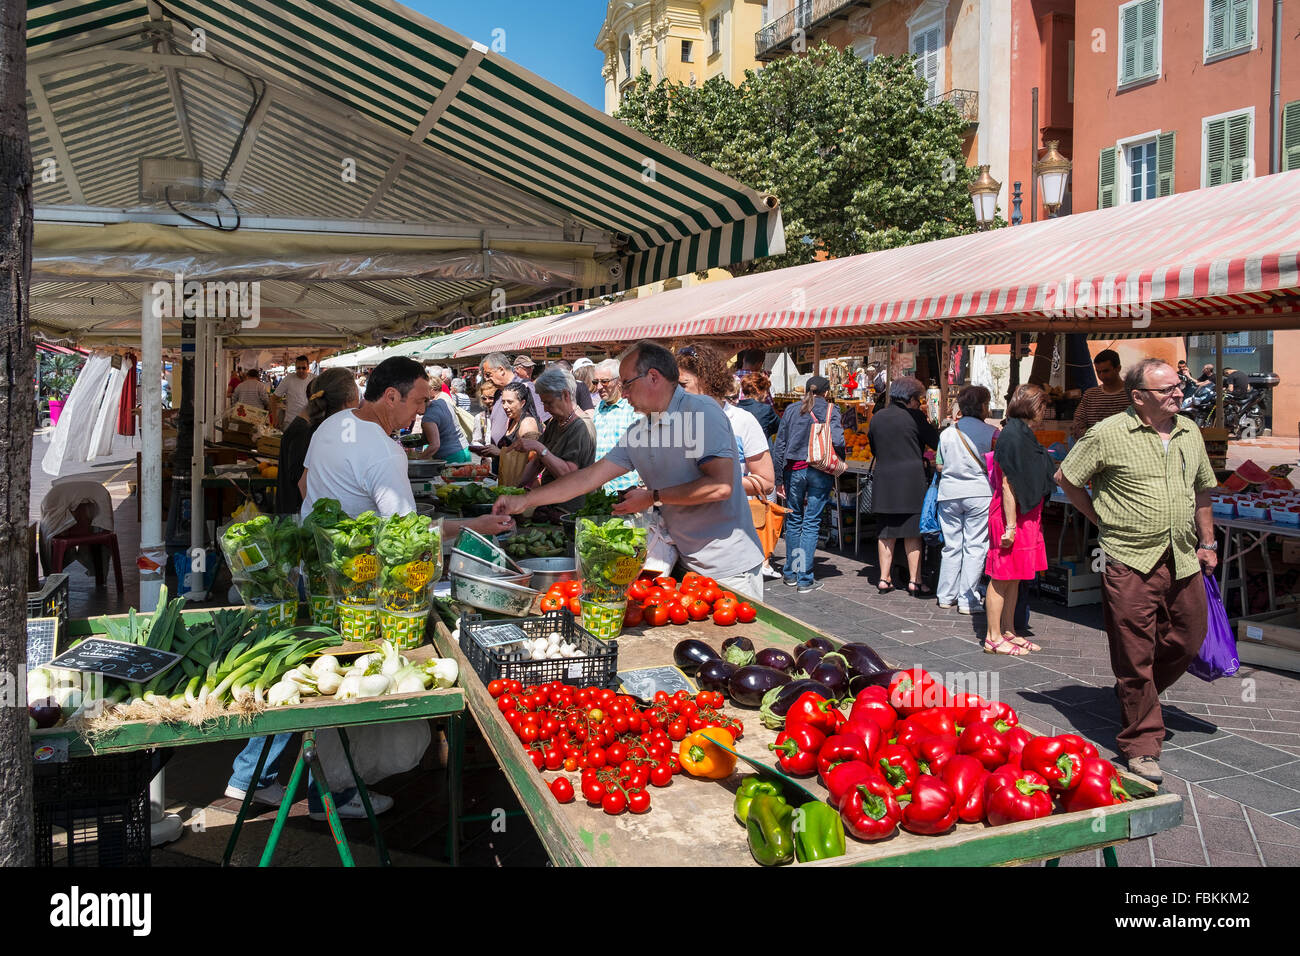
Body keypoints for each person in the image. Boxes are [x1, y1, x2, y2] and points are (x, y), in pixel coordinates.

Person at [493, 340, 766, 601]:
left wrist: (652, 497)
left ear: (654, 377)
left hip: (731, 570)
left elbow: (720, 486)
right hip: (686, 564)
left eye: (627, 385)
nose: (622, 393)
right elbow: (589, 477)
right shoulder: (641, 430)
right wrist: (524, 500)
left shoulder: (700, 412)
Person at [1056, 359, 1217, 784]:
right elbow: (1067, 477)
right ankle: (1142, 742)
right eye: (1166, 390)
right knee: (1134, 650)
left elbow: (1201, 488)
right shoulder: (1108, 433)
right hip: (1127, 557)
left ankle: (1136, 690)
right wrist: (1099, 519)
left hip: (1182, 555)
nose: (1178, 394)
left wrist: (1208, 542)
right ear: (1139, 396)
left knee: (1189, 635)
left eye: (1178, 386)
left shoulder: (1188, 431)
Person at [983, 384, 1056, 655]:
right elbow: (1007, 484)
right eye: (1042, 406)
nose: (1044, 411)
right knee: (1001, 575)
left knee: (1014, 577)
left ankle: (1008, 630)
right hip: (1009, 516)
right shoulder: (1013, 435)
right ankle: (992, 636)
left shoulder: (1022, 433)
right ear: (1033, 406)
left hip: (1023, 515)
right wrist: (1011, 526)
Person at [867, 377, 940, 595]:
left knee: (886, 532)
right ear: (910, 399)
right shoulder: (915, 417)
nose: (919, 404)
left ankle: (884, 578)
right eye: (918, 399)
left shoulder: (877, 417)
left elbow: (873, 447)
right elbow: (936, 442)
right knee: (913, 534)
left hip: (885, 480)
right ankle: (915, 581)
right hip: (911, 481)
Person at [772, 375, 844, 593]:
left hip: (794, 470)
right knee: (811, 522)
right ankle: (804, 579)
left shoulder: (793, 410)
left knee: (793, 521)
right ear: (826, 392)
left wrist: (778, 478)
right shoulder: (831, 410)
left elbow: (780, 444)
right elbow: (839, 440)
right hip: (819, 471)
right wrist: (838, 460)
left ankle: (791, 573)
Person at [934, 385, 998, 615]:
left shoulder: (946, 433)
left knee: (951, 545)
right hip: (979, 493)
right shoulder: (992, 434)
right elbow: (998, 466)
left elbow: (939, 465)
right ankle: (967, 600)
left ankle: (945, 595)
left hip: (949, 492)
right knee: (975, 546)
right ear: (982, 406)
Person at [276, 368, 358, 516]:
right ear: (346, 403)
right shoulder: (309, 432)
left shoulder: (311, 427)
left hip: (300, 516)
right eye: (356, 400)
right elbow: (303, 485)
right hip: (299, 520)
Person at [515, 366, 596, 509]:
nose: (545, 409)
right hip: (553, 506)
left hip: (570, 511)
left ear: (565, 395)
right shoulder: (556, 422)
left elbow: (568, 475)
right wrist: (515, 490)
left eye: (548, 402)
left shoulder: (581, 427)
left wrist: (539, 448)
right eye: (543, 403)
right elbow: (536, 463)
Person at [591, 358, 641, 494]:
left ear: (618, 381)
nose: (599, 387)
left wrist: (641, 483)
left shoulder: (633, 408)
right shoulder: (599, 407)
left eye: (604, 381)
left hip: (628, 490)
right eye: (596, 382)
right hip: (601, 491)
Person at [481, 351, 548, 443]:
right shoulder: (498, 392)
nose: (486, 379)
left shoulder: (526, 388)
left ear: (501, 370)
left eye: (488, 374)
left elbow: (545, 422)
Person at [1070, 349, 1130, 440]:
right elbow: (1078, 424)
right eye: (1098, 372)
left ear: (1118, 368)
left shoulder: (1133, 394)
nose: (1102, 376)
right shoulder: (1090, 395)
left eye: (1106, 371)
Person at [475, 381, 541, 461]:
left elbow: (530, 457)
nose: (505, 406)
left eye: (510, 402)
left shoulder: (527, 423)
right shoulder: (513, 419)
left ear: (522, 403)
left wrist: (499, 453)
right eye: (503, 402)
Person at [419, 369, 470, 463]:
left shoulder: (428, 418)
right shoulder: (443, 402)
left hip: (451, 457)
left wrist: (418, 460)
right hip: (465, 450)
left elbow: (434, 445)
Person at [737, 371, 780, 445]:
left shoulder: (736, 408)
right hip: (761, 452)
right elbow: (781, 426)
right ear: (759, 391)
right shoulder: (765, 410)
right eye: (766, 390)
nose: (767, 394)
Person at [270, 355, 312, 429]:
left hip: (309, 422)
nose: (301, 370)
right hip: (291, 422)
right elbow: (273, 398)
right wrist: (274, 419)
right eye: (298, 368)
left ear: (308, 367)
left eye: (303, 368)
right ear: (295, 367)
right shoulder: (288, 379)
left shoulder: (314, 379)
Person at [471, 383, 496, 448]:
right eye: (484, 398)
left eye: (491, 398)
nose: (487, 401)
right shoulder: (480, 417)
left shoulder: (507, 416)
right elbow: (476, 440)